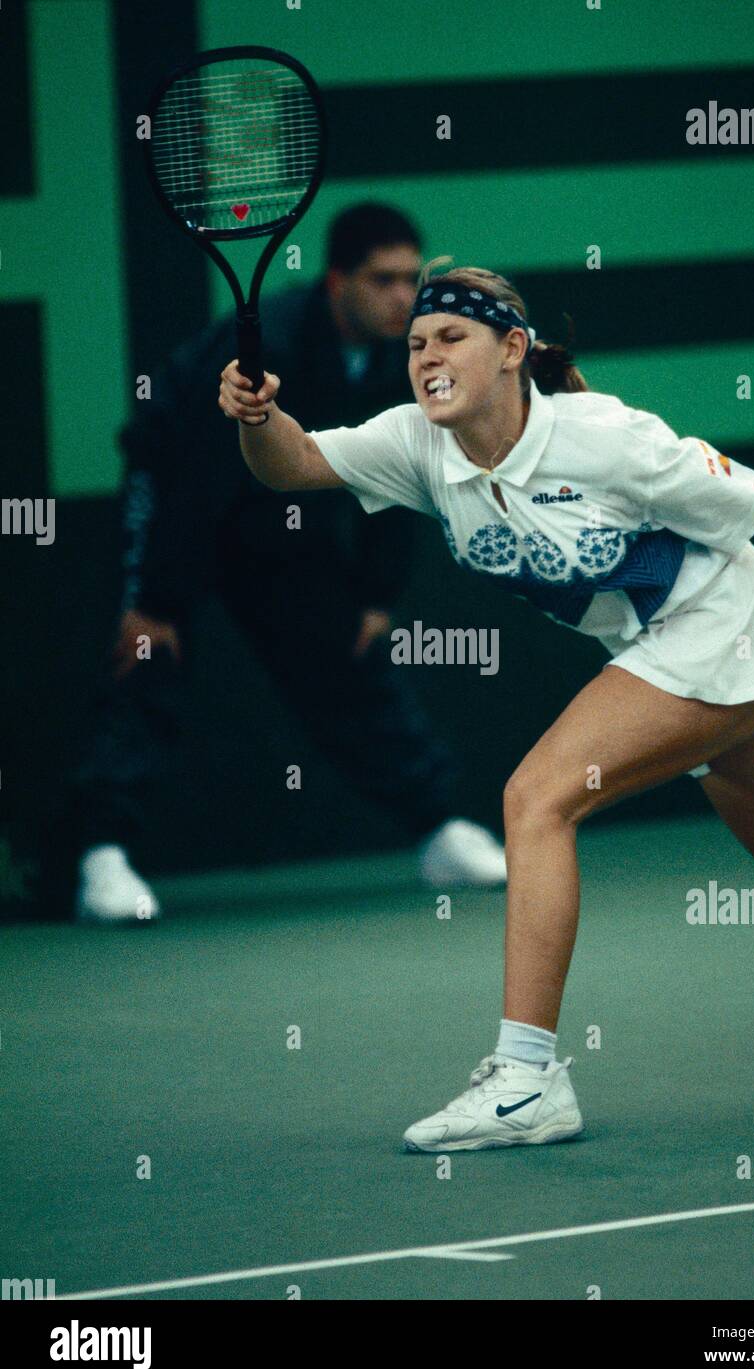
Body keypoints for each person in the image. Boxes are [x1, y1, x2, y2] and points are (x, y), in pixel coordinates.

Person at [218, 255, 754, 1153]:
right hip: (664, 650)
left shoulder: (610, 440)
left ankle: (526, 1082)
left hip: (729, 627)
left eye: (450, 336)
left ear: (511, 350)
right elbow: (292, 464)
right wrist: (258, 419)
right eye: (415, 343)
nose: (427, 357)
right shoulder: (418, 440)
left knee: (536, 800)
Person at [70, 212, 507, 923]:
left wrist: (374, 594)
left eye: (411, 279)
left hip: (278, 512)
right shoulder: (269, 341)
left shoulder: (407, 355)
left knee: (346, 650)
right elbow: (196, 476)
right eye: (383, 280)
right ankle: (99, 856)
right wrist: (153, 599)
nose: (404, 297)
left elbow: (398, 470)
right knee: (148, 654)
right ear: (338, 282)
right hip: (184, 490)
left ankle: (438, 831)